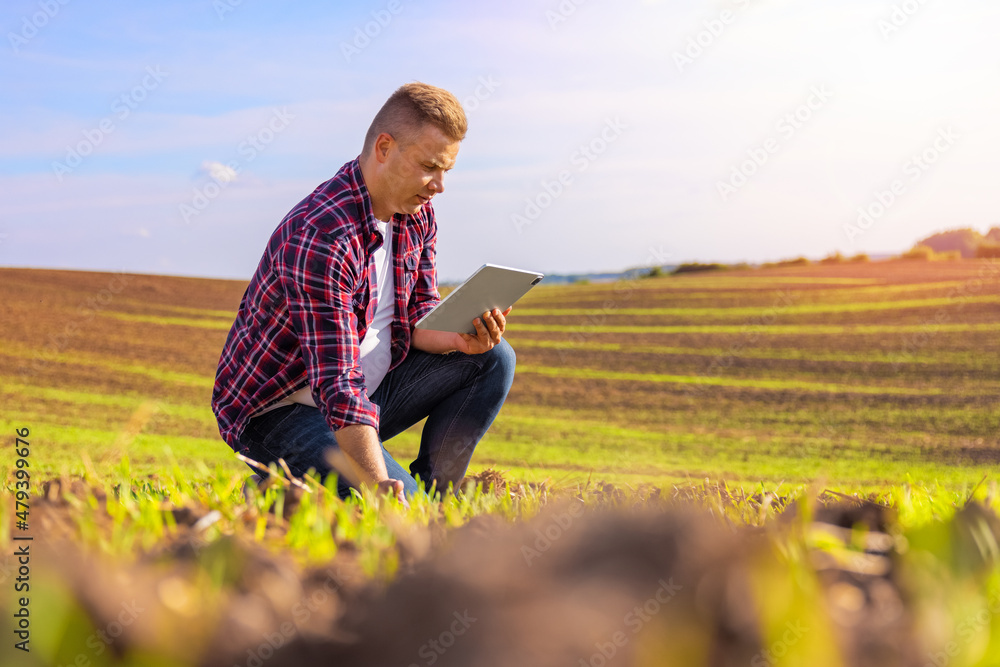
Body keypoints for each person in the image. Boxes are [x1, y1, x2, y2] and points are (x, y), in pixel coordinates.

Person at [211, 82, 516, 505]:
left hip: (364, 396)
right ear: (384, 148)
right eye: (430, 166)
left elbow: (417, 313)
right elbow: (335, 382)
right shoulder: (321, 236)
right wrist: (376, 482)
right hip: (281, 411)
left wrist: (456, 338)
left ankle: (434, 496)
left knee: (493, 358)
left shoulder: (417, 214)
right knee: (393, 509)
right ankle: (275, 479)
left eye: (446, 170)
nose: (439, 185)